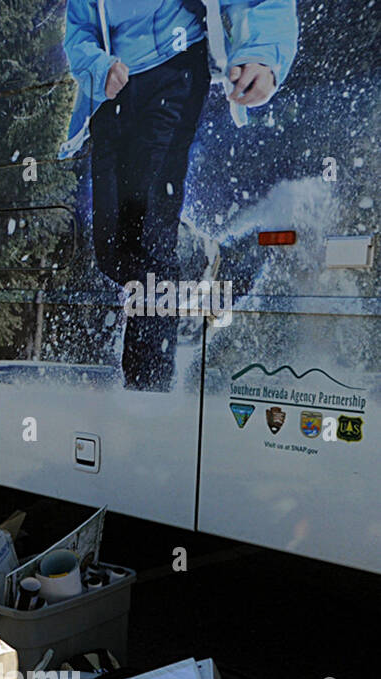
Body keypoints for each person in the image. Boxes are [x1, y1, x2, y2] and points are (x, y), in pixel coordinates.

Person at [63, 0, 297, 390]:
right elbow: (79, 31)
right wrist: (97, 67)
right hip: (112, 87)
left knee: (151, 242)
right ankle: (195, 250)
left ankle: (147, 387)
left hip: (174, 70)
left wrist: (262, 51)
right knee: (111, 250)